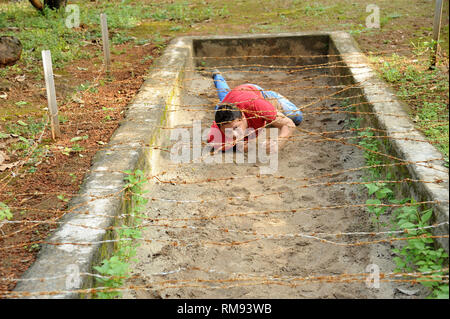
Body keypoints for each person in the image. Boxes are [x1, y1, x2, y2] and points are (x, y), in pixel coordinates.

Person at [207, 69, 303, 152]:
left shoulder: (257, 106)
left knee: (297, 117)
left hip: (250, 91)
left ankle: (271, 95)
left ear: (243, 117)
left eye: (236, 128)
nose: (234, 135)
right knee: (224, 95)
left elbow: (289, 124)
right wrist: (237, 145)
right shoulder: (219, 128)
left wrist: (278, 142)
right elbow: (212, 141)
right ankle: (217, 76)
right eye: (228, 131)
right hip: (230, 98)